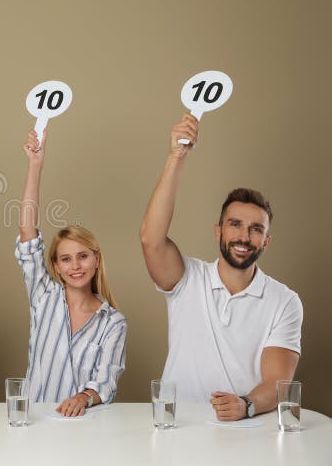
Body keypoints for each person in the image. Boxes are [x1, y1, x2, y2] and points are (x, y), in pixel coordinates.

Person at [140, 114, 303, 421]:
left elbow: (277, 382)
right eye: (235, 224)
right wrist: (176, 157)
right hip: (179, 426)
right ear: (218, 232)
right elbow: (151, 239)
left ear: (266, 241)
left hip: (245, 429)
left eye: (256, 229)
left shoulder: (284, 301)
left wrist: (245, 404)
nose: (244, 236)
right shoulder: (187, 278)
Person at [16, 129, 127, 417]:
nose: (75, 266)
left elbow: (106, 381)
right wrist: (35, 165)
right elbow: (27, 233)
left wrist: (83, 397)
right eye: (66, 259)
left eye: (82, 256)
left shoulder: (112, 322)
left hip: (81, 429)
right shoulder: (44, 296)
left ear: (96, 259)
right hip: (33, 424)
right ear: (56, 266)